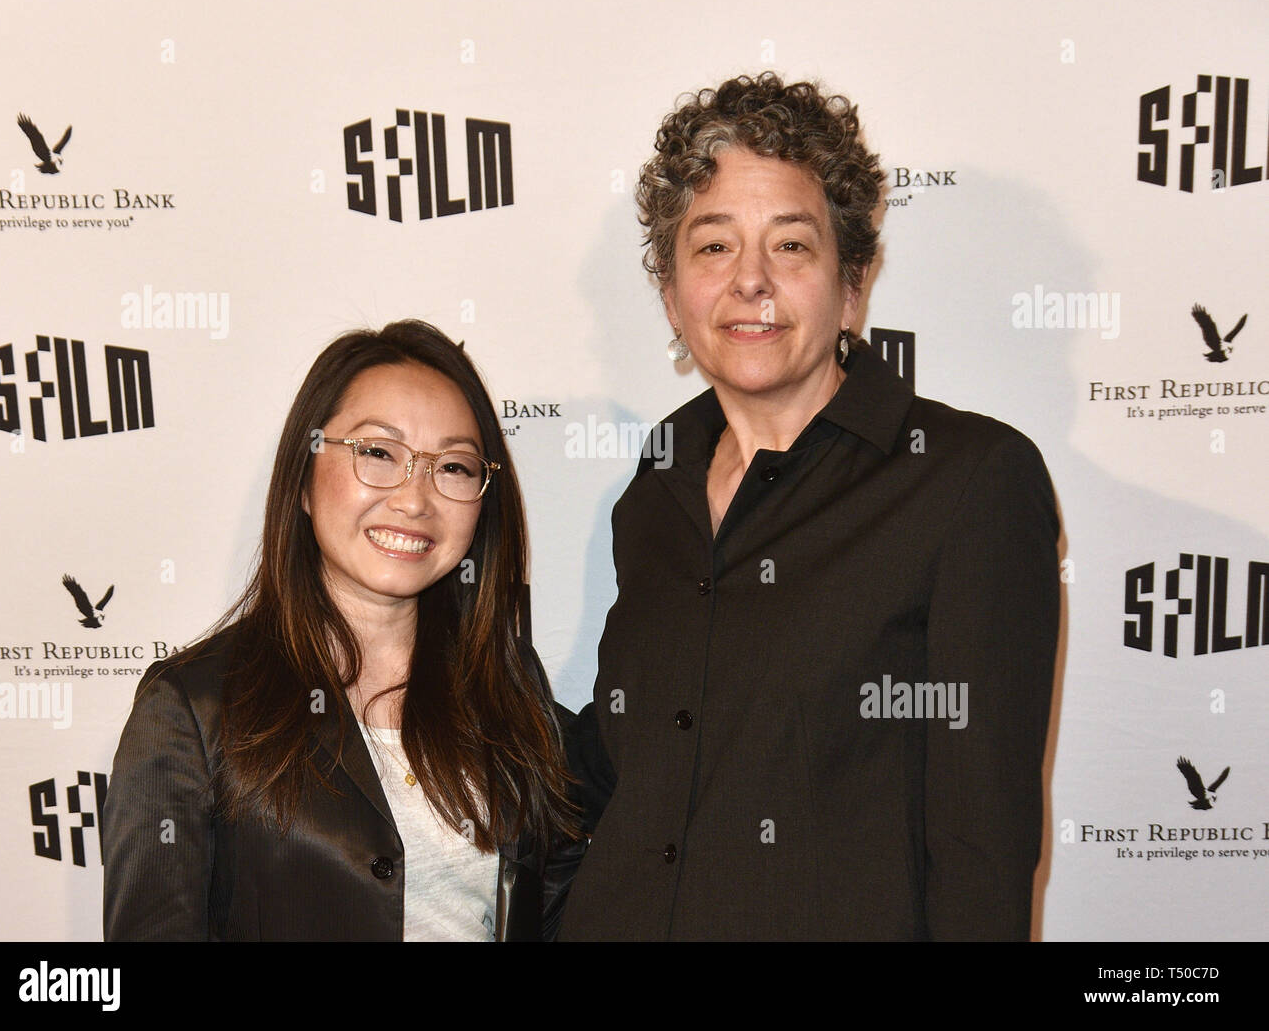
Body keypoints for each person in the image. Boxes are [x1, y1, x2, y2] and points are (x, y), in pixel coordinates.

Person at [559, 74, 1061, 941]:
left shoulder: (967, 481)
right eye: (712, 247)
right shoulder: (656, 489)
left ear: (853, 282)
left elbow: (983, 849)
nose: (750, 281)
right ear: (673, 295)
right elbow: (625, 764)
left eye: (790, 246)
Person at [103, 320, 580, 941]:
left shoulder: (504, 682)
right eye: (378, 453)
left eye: (454, 467)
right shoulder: (194, 708)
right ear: (304, 478)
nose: (415, 499)